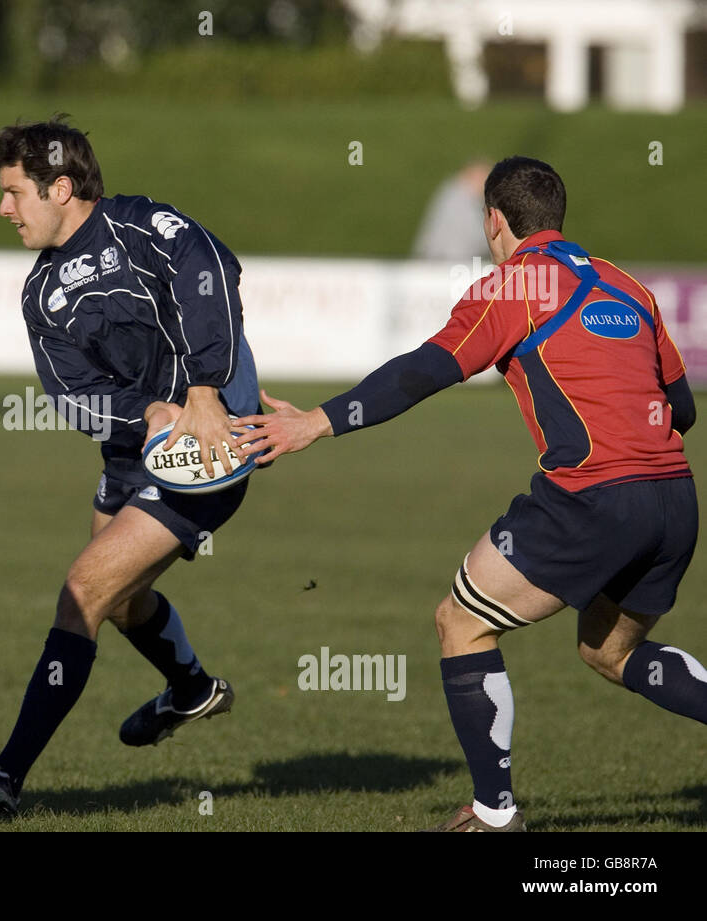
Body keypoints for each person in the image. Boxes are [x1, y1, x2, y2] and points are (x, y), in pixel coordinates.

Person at [234, 156, 705, 831]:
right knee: (611, 651)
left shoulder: (515, 283)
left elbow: (426, 369)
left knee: (462, 621)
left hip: (593, 498)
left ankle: (493, 810)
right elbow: (682, 408)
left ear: (494, 221)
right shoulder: (628, 284)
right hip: (675, 501)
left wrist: (317, 421)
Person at [0, 117, 259, 817]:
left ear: (61, 187)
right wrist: (144, 413)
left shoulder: (144, 225)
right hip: (134, 452)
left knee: (84, 587)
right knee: (119, 600)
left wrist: (206, 392)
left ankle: (7, 772)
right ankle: (191, 689)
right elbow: (72, 396)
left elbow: (214, 269)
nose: (4, 209)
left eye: (13, 193)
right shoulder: (41, 294)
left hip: (206, 451)